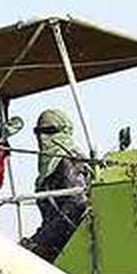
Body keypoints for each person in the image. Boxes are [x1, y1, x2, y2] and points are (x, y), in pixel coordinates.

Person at [22, 109, 91, 263]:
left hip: (74, 240)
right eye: (38, 132)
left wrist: (41, 241)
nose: (42, 137)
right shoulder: (47, 168)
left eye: (49, 131)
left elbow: (76, 205)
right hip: (56, 240)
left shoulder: (69, 160)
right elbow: (52, 215)